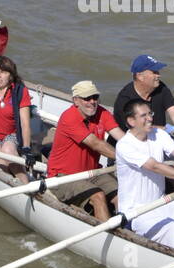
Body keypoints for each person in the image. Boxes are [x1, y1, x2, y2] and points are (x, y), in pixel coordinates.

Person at [115, 99, 174, 252]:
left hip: (162, 202)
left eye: (150, 114)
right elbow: (154, 166)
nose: (150, 118)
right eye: (144, 115)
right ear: (131, 121)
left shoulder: (158, 134)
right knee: (173, 230)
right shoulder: (124, 145)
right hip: (136, 213)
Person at [46, 80, 123, 221]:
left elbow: (123, 139)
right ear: (76, 100)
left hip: (93, 172)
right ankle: (105, 236)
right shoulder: (69, 117)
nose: (92, 102)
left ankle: (127, 230)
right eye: (87, 98)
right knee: (98, 196)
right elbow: (95, 144)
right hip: (63, 177)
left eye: (95, 97)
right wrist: (126, 158)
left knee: (122, 194)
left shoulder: (102, 113)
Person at [112, 54, 174, 143]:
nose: (158, 75)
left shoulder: (161, 88)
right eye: (154, 72)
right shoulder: (125, 99)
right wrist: (168, 130)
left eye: (158, 72)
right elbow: (137, 128)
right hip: (131, 145)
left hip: (157, 141)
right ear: (140, 76)